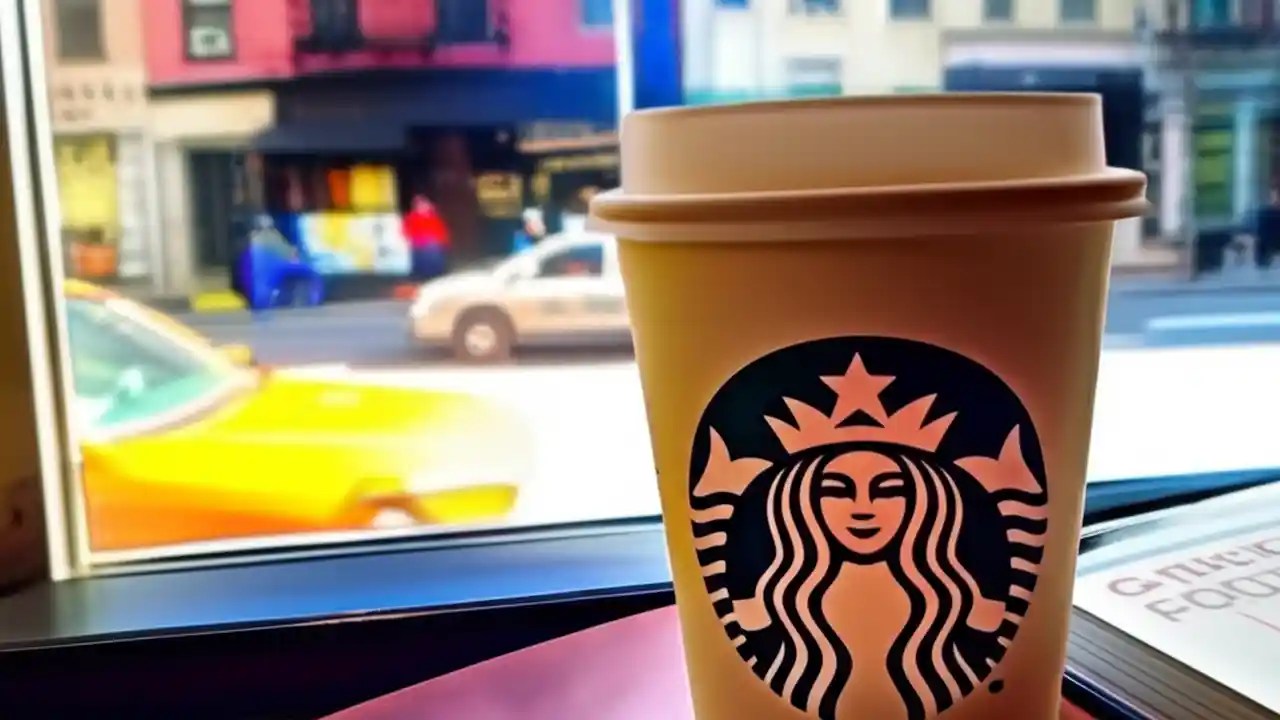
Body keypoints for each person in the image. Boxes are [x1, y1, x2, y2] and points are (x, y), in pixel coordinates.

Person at [693, 352, 1047, 720]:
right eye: (837, 490)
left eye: (889, 489)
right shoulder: (776, 596)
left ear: (924, 500)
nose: (863, 507)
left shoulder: (957, 595)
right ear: (803, 502)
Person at [402, 195, 451, 280]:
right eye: (419, 205)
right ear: (415, 207)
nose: (423, 207)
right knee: (427, 257)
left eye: (425, 204)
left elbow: (443, 231)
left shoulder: (435, 217)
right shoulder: (411, 218)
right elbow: (407, 231)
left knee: (435, 254)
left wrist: (443, 243)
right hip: (420, 246)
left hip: (435, 247)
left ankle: (436, 276)